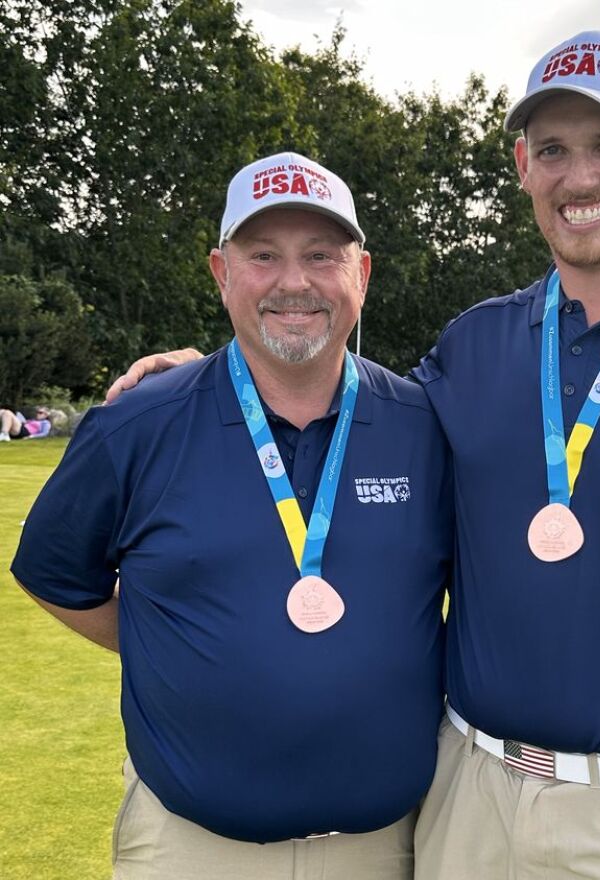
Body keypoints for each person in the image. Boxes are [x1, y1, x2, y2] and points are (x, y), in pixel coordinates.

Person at [106, 30, 600, 880]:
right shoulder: (474, 345)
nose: (580, 177)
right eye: (554, 150)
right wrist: (210, 371)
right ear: (524, 166)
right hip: (459, 790)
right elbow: (337, 398)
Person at [12, 151, 453, 880]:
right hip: (187, 850)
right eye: (262, 255)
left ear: (362, 275)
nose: (293, 282)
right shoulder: (138, 423)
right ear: (221, 273)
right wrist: (170, 643)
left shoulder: (427, 429)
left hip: (386, 849)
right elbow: (54, 575)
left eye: (320, 255)